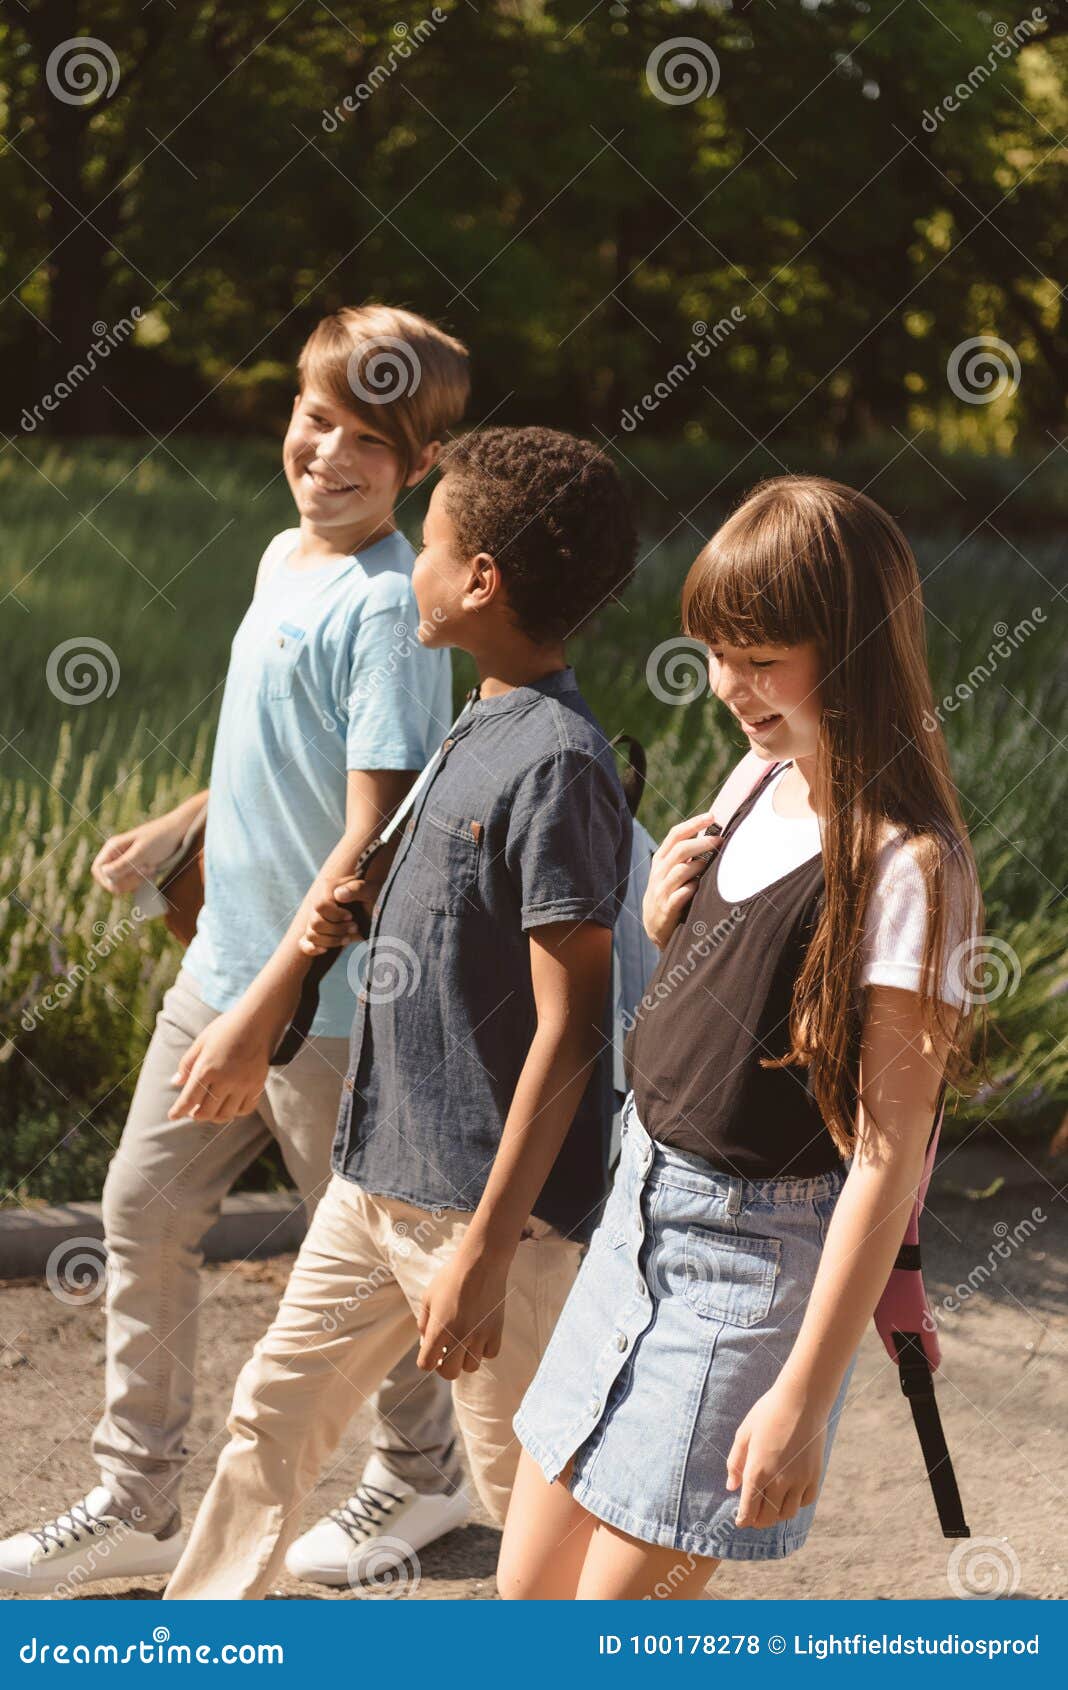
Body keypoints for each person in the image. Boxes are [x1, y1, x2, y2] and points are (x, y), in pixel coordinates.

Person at [0, 305, 474, 1596]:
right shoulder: (284, 559)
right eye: (316, 420)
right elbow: (279, 754)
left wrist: (265, 1011)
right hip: (221, 969)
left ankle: (424, 1478)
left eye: (369, 442)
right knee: (142, 1207)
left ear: (420, 466)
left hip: (324, 1010)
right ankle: (138, 1501)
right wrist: (178, 822)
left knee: (361, 1252)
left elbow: (373, 839)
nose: (327, 455)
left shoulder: (387, 612)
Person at [162, 425, 638, 1599]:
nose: (410, 564)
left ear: (481, 580)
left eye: (430, 544)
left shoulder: (560, 763)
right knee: (269, 1417)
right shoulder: (475, 725)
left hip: (490, 1222)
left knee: (529, 1499)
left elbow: (573, 1026)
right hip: (377, 1178)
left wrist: (481, 1252)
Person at [499, 474, 984, 1601]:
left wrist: (803, 1400)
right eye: (717, 652)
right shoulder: (759, 775)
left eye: (762, 660)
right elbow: (753, 1016)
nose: (728, 687)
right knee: (524, 1606)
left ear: (854, 648)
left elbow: (886, 1151)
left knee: (608, 1636)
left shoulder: (914, 867)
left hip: (751, 1268)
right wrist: (677, 928)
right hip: (636, 1216)